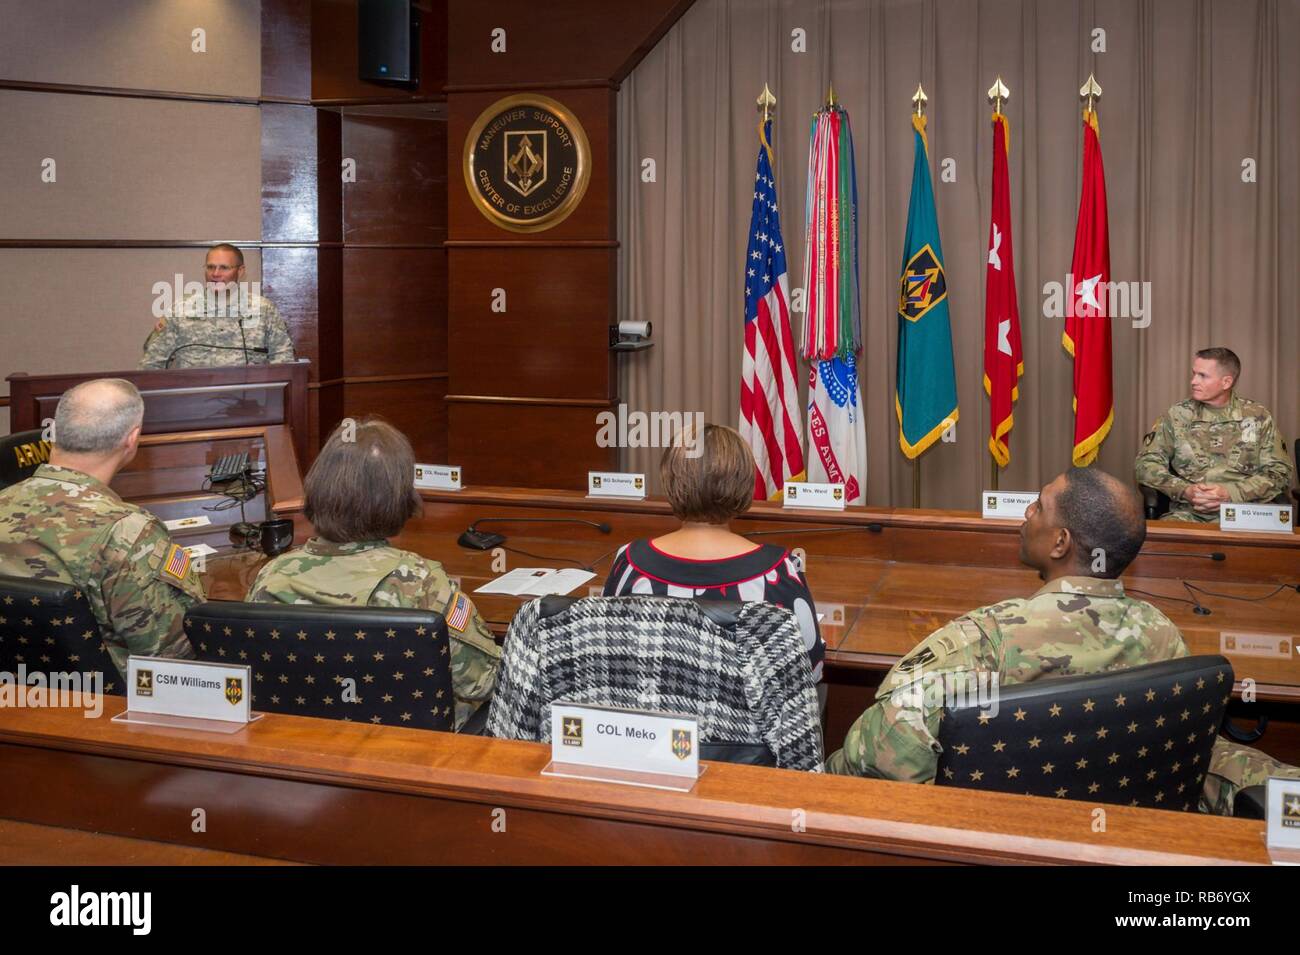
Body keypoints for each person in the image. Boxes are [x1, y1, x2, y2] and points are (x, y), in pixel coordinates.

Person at [825, 466, 1298, 815]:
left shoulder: (988, 637)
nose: (1027, 513)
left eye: (1039, 506)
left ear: (1060, 544)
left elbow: (883, 746)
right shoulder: (1162, 634)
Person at [246, 418, 499, 730]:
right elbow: (484, 680)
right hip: (403, 756)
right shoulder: (420, 582)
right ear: (399, 496)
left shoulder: (271, 576)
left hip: (303, 750)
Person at [0, 379, 201, 675]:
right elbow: (175, 654)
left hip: (18, 699)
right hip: (110, 710)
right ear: (132, 440)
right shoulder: (127, 532)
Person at [602, 423, 825, 685]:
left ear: (669, 480)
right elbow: (810, 670)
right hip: (746, 726)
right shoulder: (781, 570)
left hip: (652, 723)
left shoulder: (628, 562)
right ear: (745, 482)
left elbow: (609, 657)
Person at [1135, 347, 1292, 522]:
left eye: (1203, 376)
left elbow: (1280, 472)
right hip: (1189, 513)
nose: (1193, 381)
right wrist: (1185, 491)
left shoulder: (1257, 416)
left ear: (1226, 382)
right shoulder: (1177, 415)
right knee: (1161, 545)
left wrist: (1231, 493)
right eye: (1194, 374)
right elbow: (1146, 465)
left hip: (1246, 512)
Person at [140, 244, 296, 369]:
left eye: (224, 268)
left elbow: (283, 361)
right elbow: (152, 364)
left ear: (240, 271)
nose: (215, 273)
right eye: (210, 267)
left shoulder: (263, 309)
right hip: (193, 401)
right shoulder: (180, 310)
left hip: (248, 402)